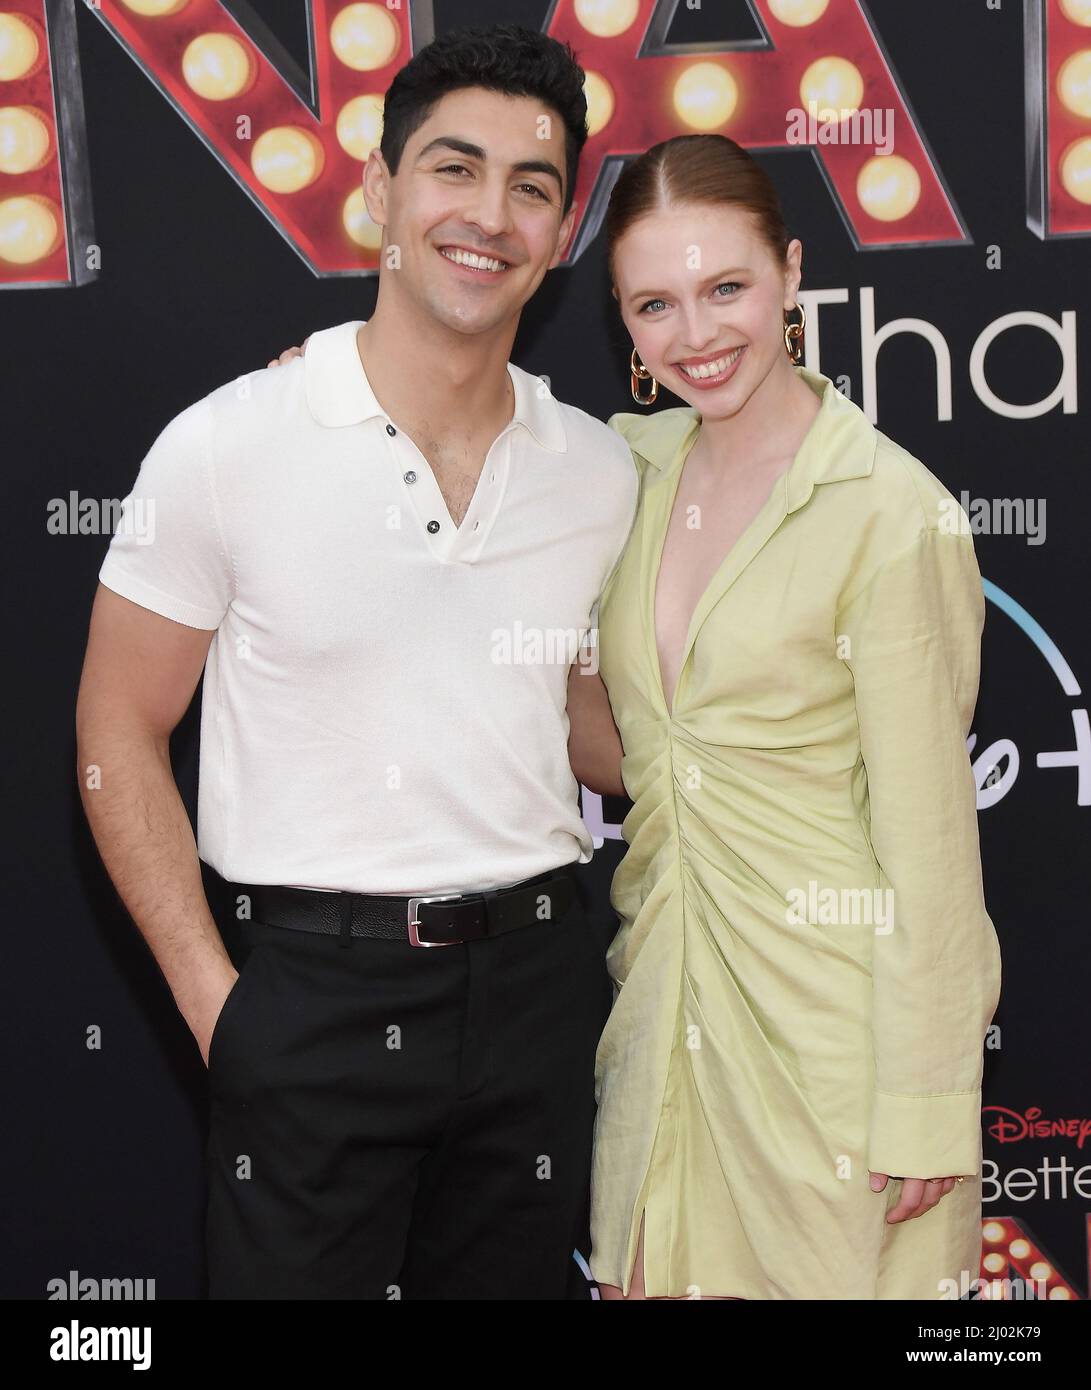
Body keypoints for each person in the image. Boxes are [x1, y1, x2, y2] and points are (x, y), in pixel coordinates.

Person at [274, 131, 1003, 1301]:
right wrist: (328, 386)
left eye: (727, 289)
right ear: (620, 325)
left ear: (791, 274)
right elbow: (459, 442)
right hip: (660, 1014)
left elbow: (930, 841)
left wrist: (924, 1104)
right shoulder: (623, 471)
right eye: (653, 305)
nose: (696, 336)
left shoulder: (889, 512)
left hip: (832, 1039)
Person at [75, 25, 639, 1300]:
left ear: (561, 234)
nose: (487, 213)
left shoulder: (600, 470)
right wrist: (222, 1007)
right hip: (307, 1001)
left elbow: (585, 718)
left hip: (540, 992)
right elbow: (116, 728)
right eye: (453, 167)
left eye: (531, 186)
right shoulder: (228, 445)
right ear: (381, 194)